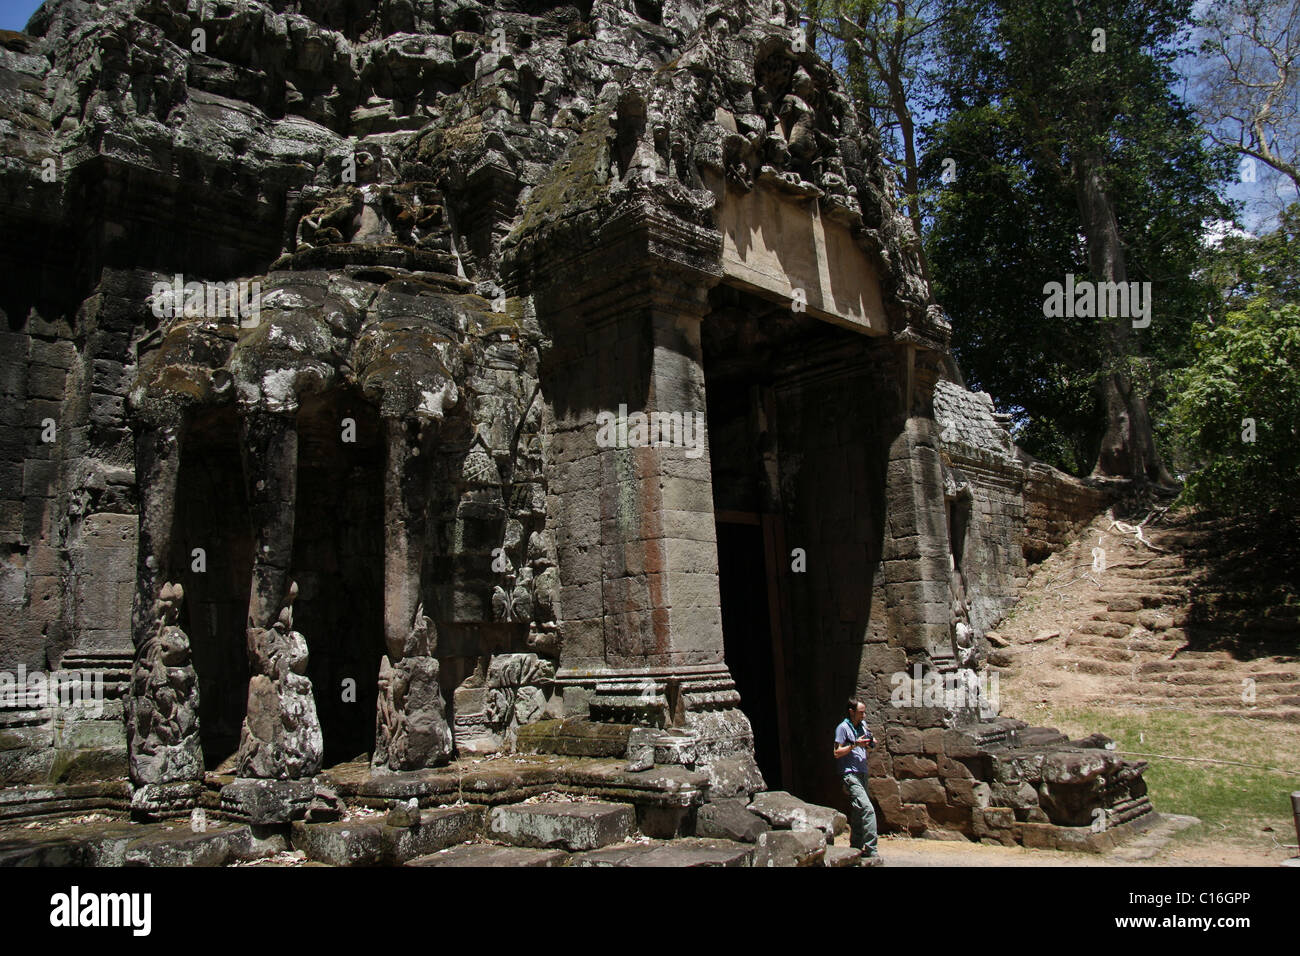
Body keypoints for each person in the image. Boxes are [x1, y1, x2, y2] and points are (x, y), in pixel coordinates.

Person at [834, 698, 880, 862]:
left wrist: (870, 742)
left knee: (858, 810)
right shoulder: (842, 728)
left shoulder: (862, 726)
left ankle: (855, 846)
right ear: (851, 712)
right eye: (861, 712)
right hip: (849, 774)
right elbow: (837, 752)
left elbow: (871, 743)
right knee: (867, 809)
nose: (864, 715)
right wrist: (854, 744)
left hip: (862, 773)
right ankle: (871, 849)